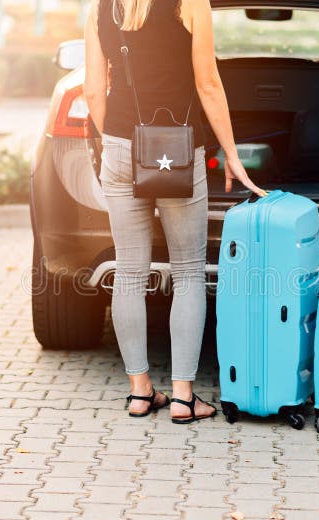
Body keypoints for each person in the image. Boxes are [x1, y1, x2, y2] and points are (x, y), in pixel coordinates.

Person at [84, 0, 265, 423]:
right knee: (187, 272)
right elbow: (208, 86)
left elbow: (94, 90)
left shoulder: (100, 8)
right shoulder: (190, 4)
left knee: (129, 271)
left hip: (118, 149)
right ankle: (183, 398)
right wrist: (233, 156)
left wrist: (118, 144)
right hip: (179, 152)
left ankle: (140, 392)